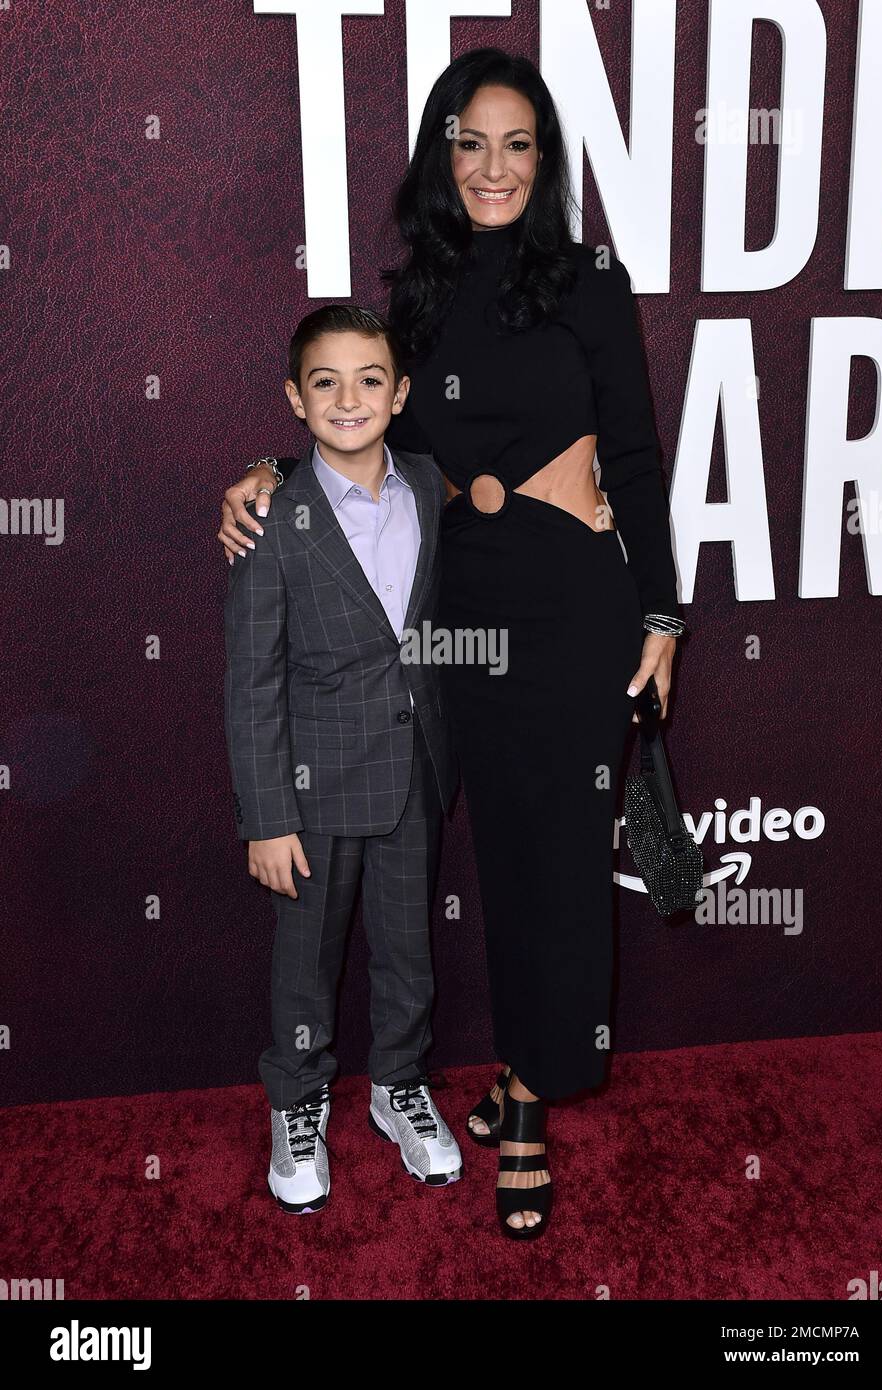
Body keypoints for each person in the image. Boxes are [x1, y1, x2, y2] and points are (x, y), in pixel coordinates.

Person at [220, 49, 686, 1240]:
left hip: (572, 605)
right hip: (449, 622)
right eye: (469, 142)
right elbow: (360, 421)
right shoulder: (413, 290)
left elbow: (632, 456)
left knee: (563, 862)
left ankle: (532, 1092)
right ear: (440, 154)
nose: (493, 166)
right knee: (496, 854)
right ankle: (496, 1064)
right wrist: (273, 480)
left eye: (518, 142)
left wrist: (662, 613)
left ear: (548, 159)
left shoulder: (588, 279)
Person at [223, 303, 462, 1214]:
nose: (349, 398)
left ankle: (400, 1087)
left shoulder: (431, 487)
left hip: (415, 773)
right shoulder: (266, 518)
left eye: (370, 379)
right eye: (325, 382)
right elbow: (251, 680)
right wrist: (267, 816)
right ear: (295, 398)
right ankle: (297, 1100)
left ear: (400, 394)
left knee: (409, 952)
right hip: (312, 788)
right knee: (307, 959)